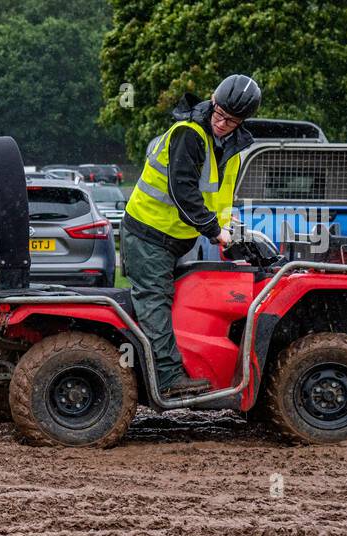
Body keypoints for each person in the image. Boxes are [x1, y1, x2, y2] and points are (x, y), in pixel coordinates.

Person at [121, 74, 261, 397]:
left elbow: (217, 198)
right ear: (213, 101)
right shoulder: (189, 134)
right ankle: (168, 379)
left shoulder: (233, 150)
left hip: (179, 237)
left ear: (243, 121)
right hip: (148, 233)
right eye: (220, 114)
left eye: (232, 120)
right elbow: (183, 192)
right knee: (155, 299)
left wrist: (230, 229)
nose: (223, 123)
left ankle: (188, 362)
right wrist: (213, 231)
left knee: (184, 300)